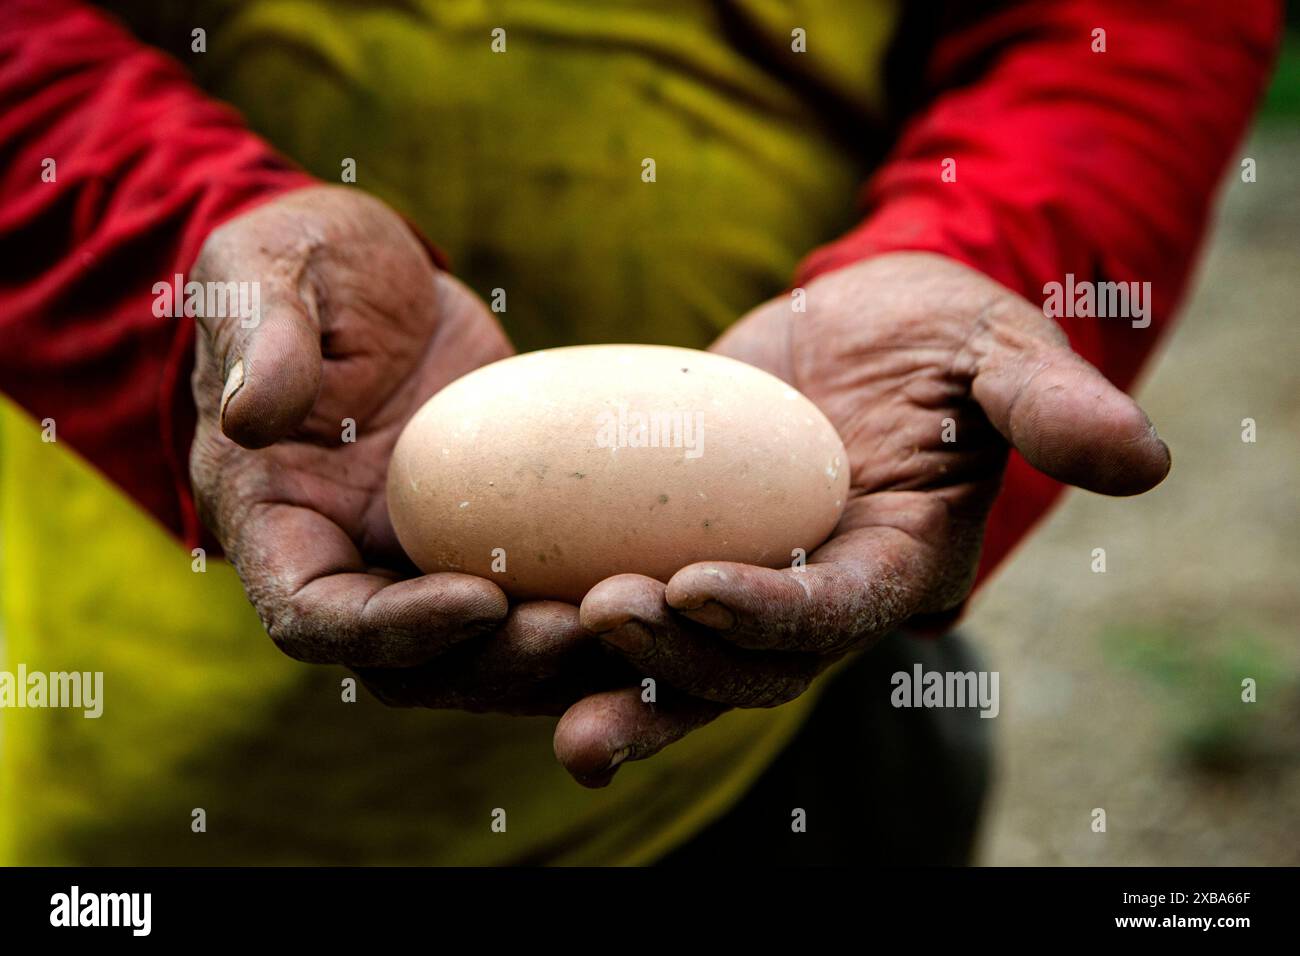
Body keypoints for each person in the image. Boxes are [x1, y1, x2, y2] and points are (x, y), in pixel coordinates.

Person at [0, 0, 1279, 865]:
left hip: (772, 722)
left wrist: (974, 253)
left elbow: (1112, 34)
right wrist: (179, 272)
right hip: (168, 725)